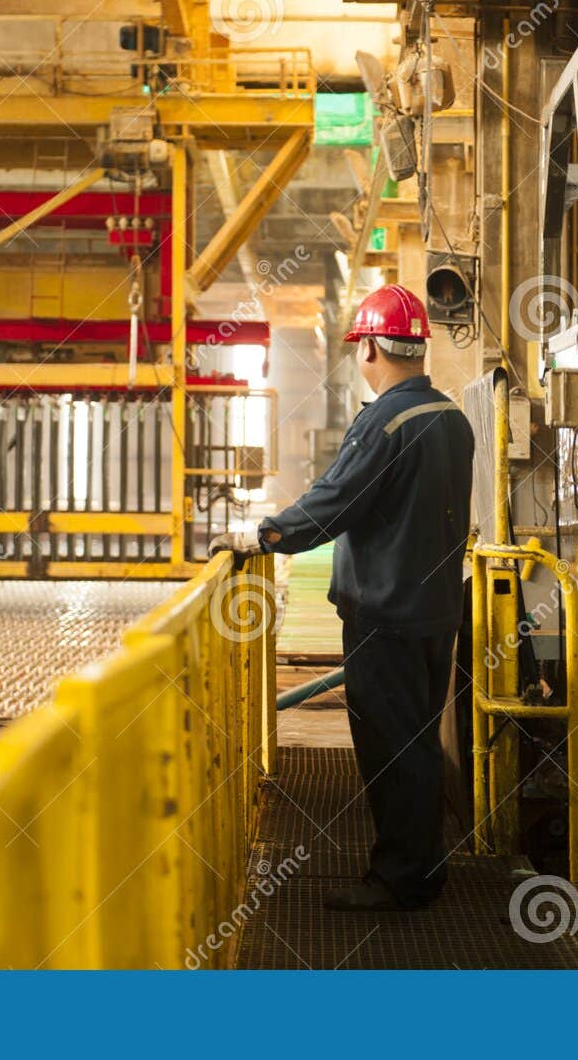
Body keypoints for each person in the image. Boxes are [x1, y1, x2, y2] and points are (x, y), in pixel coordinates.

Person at [213, 284, 474, 912]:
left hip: (384, 615)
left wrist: (264, 533)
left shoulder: (384, 421)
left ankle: (401, 880)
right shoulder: (452, 419)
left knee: (392, 748)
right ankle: (420, 868)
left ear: (372, 350)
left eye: (361, 346)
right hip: (436, 610)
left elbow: (336, 500)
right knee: (417, 741)